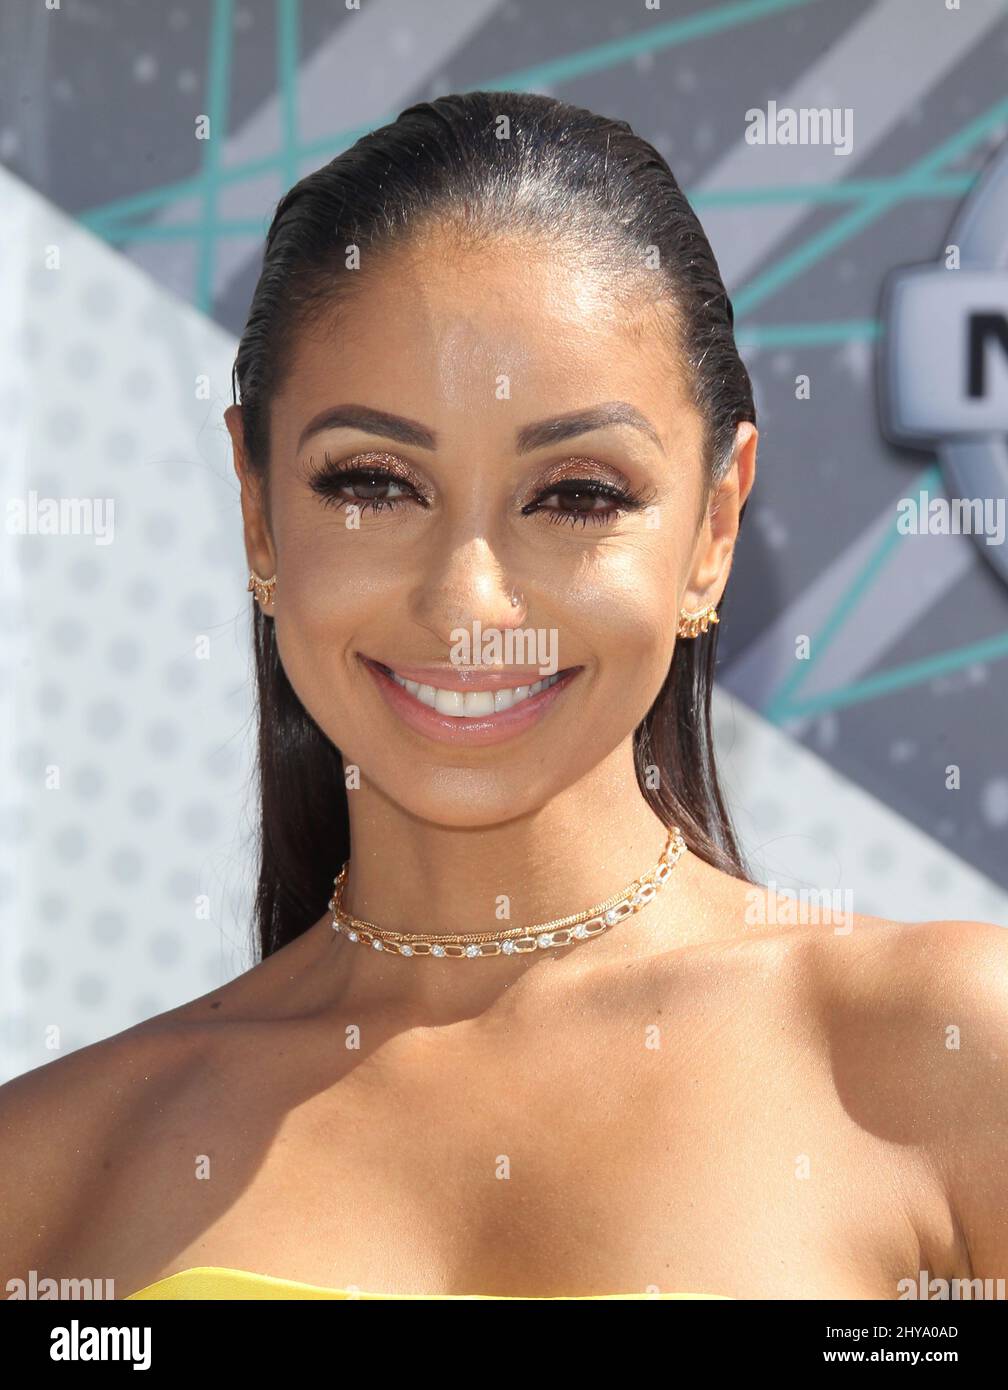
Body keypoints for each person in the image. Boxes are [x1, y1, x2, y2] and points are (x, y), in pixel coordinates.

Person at [2, 91, 1005, 1303]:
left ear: (715, 523)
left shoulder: (950, 1052)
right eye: (374, 481)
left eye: (577, 493)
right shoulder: (44, 1171)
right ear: (259, 508)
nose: (470, 604)